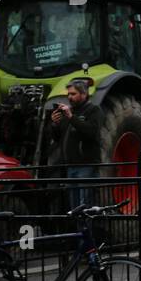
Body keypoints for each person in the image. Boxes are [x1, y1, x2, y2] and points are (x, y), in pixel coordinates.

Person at [50, 78, 103, 209]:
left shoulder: (94, 110)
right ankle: (79, 229)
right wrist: (54, 125)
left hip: (86, 165)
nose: (69, 97)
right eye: (68, 94)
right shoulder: (70, 113)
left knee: (85, 206)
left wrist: (71, 117)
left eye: (73, 94)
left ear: (84, 94)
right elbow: (58, 139)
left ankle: (88, 230)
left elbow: (91, 132)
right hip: (70, 166)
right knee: (74, 207)